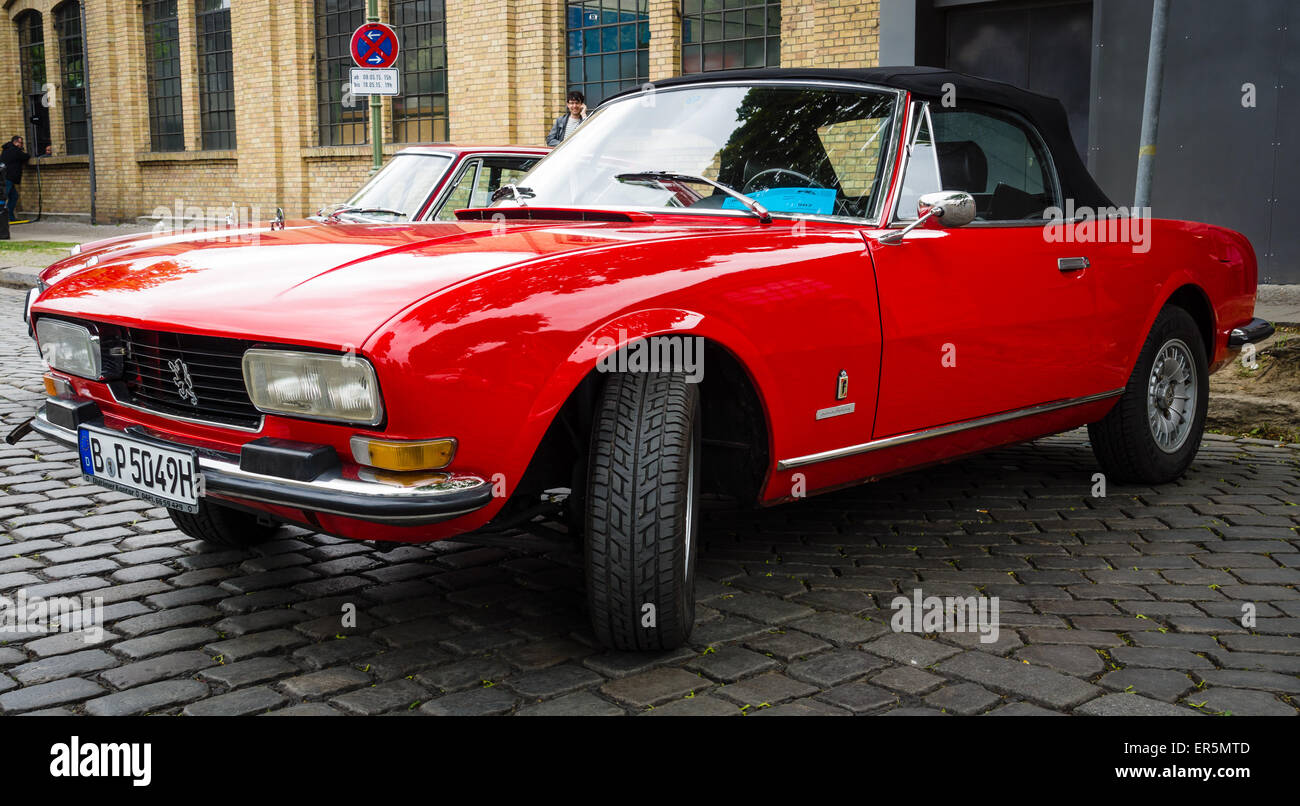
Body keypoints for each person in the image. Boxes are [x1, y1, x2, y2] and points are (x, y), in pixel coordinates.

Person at [2, 135, 49, 222]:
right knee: (4, 198)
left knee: (14, 197)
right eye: (21, 143)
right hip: (8, 178)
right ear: (15, 142)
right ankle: (5, 218)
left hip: (8, 178)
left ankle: (10, 217)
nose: (22, 145)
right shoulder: (14, 150)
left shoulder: (6, 150)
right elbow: (26, 156)